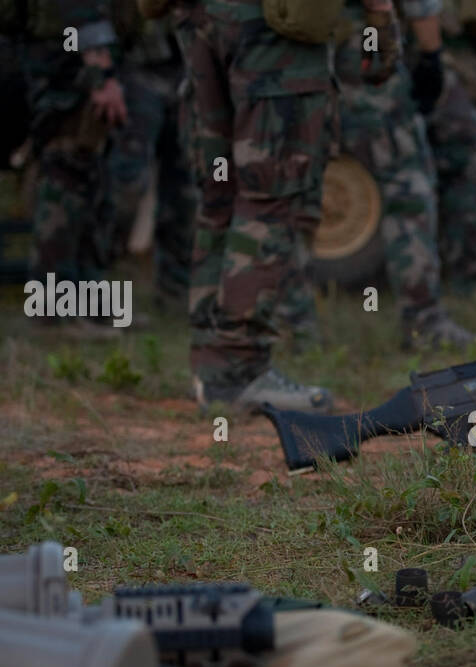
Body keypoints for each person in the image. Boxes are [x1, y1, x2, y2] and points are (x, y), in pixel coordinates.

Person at [172, 0, 400, 413]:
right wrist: (380, 23)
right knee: (268, 196)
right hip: (273, 34)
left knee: (221, 193)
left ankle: (212, 367)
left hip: (198, 18)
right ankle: (237, 372)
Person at [298, 0, 476, 350]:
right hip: (367, 53)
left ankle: (295, 328)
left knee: (296, 193)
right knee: (407, 188)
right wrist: (431, 55)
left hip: (300, 57)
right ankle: (424, 321)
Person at [21, 0, 130, 284]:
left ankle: (88, 305)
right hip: (67, 78)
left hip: (70, 71)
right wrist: (102, 78)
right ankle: (52, 309)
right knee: (65, 181)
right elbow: (81, 13)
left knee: (90, 186)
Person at [103, 13, 197, 310]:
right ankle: (100, 290)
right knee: (126, 183)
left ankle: (176, 290)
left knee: (185, 189)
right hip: (136, 71)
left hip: (187, 70)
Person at [421, 0, 476, 295]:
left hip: (453, 64)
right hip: (433, 63)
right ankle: (467, 285)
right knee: (469, 168)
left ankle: (453, 281)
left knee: (465, 170)